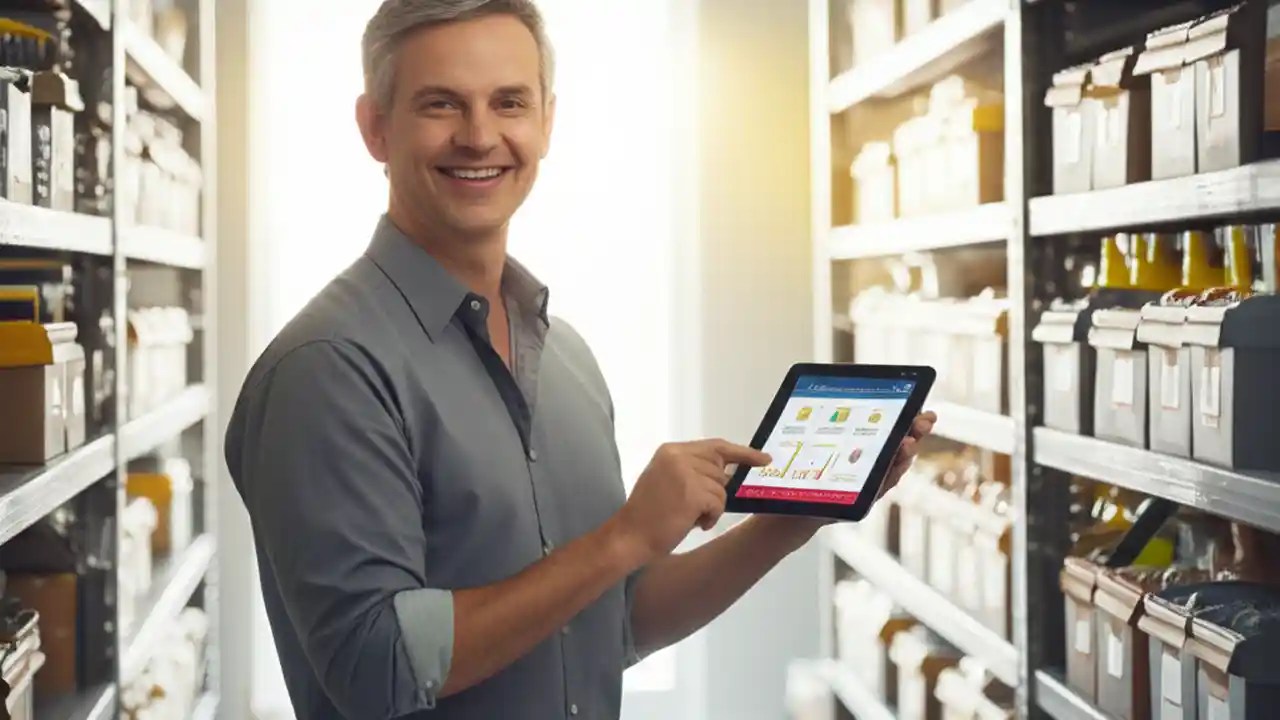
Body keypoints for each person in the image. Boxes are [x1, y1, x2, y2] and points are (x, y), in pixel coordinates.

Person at [223, 1, 937, 719]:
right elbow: (372, 667)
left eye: (510, 103)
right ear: (376, 127)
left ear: (546, 122)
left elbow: (610, 624)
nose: (479, 137)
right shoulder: (327, 371)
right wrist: (623, 536)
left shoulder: (565, 359)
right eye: (441, 104)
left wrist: (791, 520)